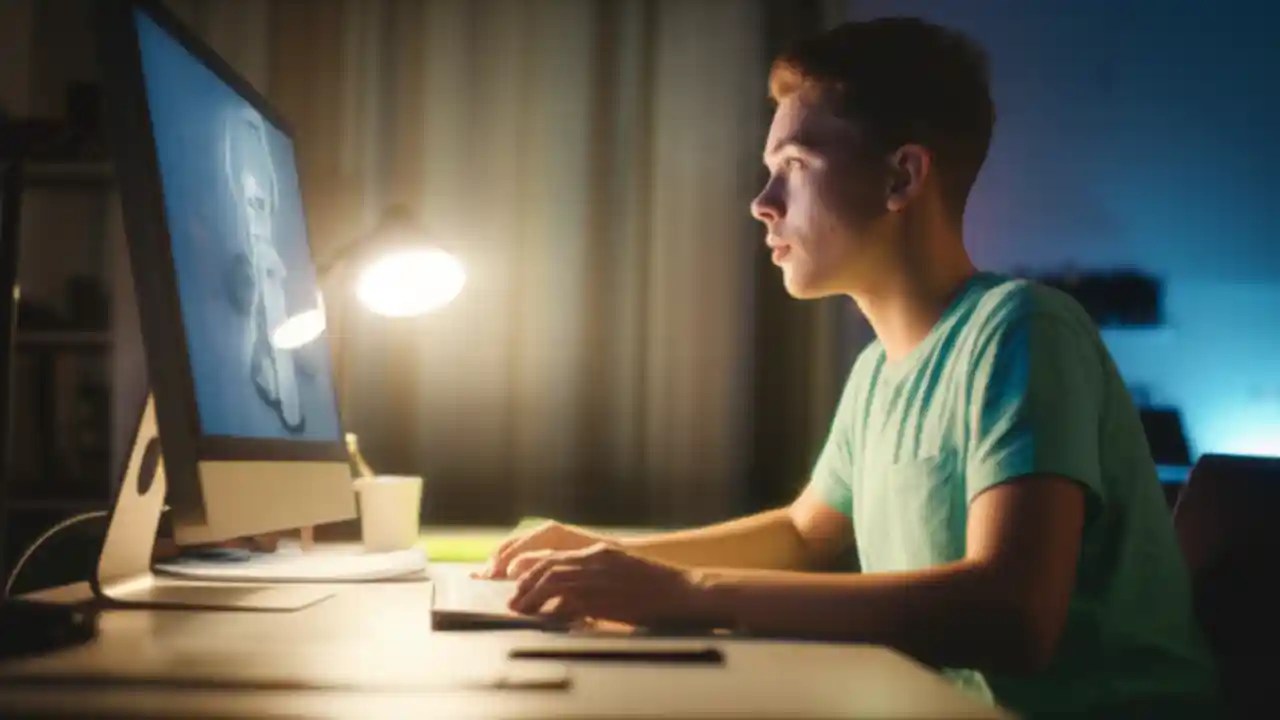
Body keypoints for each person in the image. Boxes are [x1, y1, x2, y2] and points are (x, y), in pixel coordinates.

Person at [479, 17, 1217, 717]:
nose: (761, 203)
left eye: (794, 166)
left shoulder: (1021, 329)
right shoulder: (876, 372)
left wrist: (687, 591)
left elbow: (1012, 616)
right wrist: (600, 554)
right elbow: (806, 533)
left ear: (901, 178)